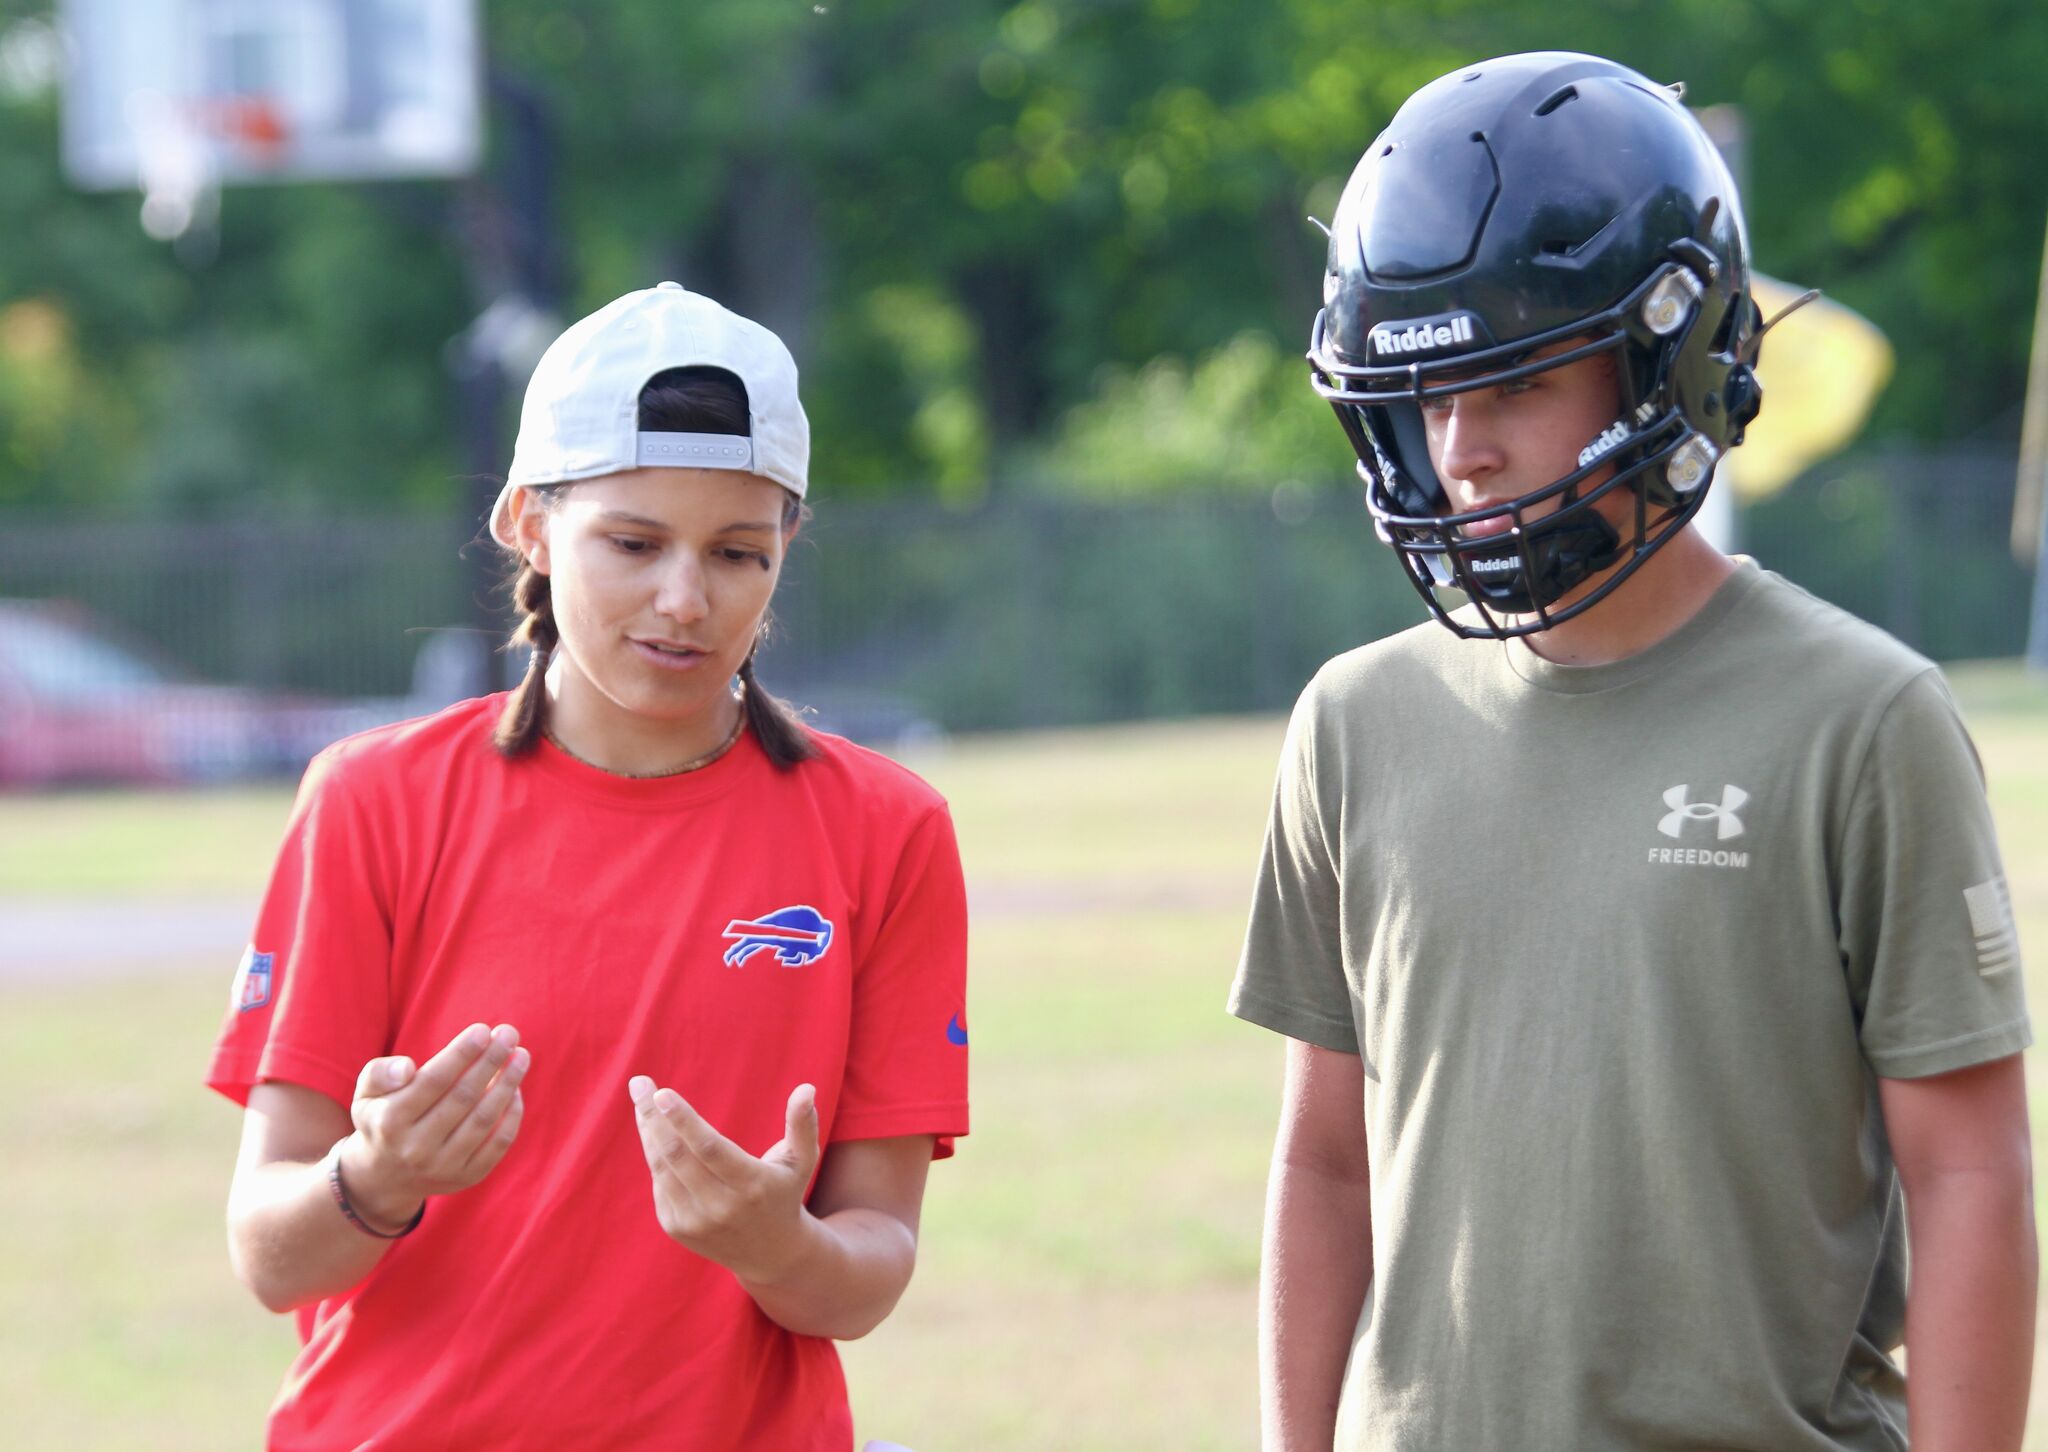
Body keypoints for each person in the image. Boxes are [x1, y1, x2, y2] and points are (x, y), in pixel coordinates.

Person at [1229, 52, 2034, 1452]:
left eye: (1515, 384)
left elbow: (1968, 1173)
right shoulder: (1352, 724)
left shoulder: (1863, 719)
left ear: (1675, 356)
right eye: (1426, 398)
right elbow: (1325, 1164)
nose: (1461, 451)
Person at [208, 282, 970, 1451]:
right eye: (632, 543)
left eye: (737, 553)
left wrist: (777, 1247)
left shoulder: (886, 829)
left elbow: (866, 1272)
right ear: (527, 522)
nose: (685, 599)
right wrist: (380, 1174)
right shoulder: (373, 802)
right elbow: (269, 1256)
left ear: (786, 547)